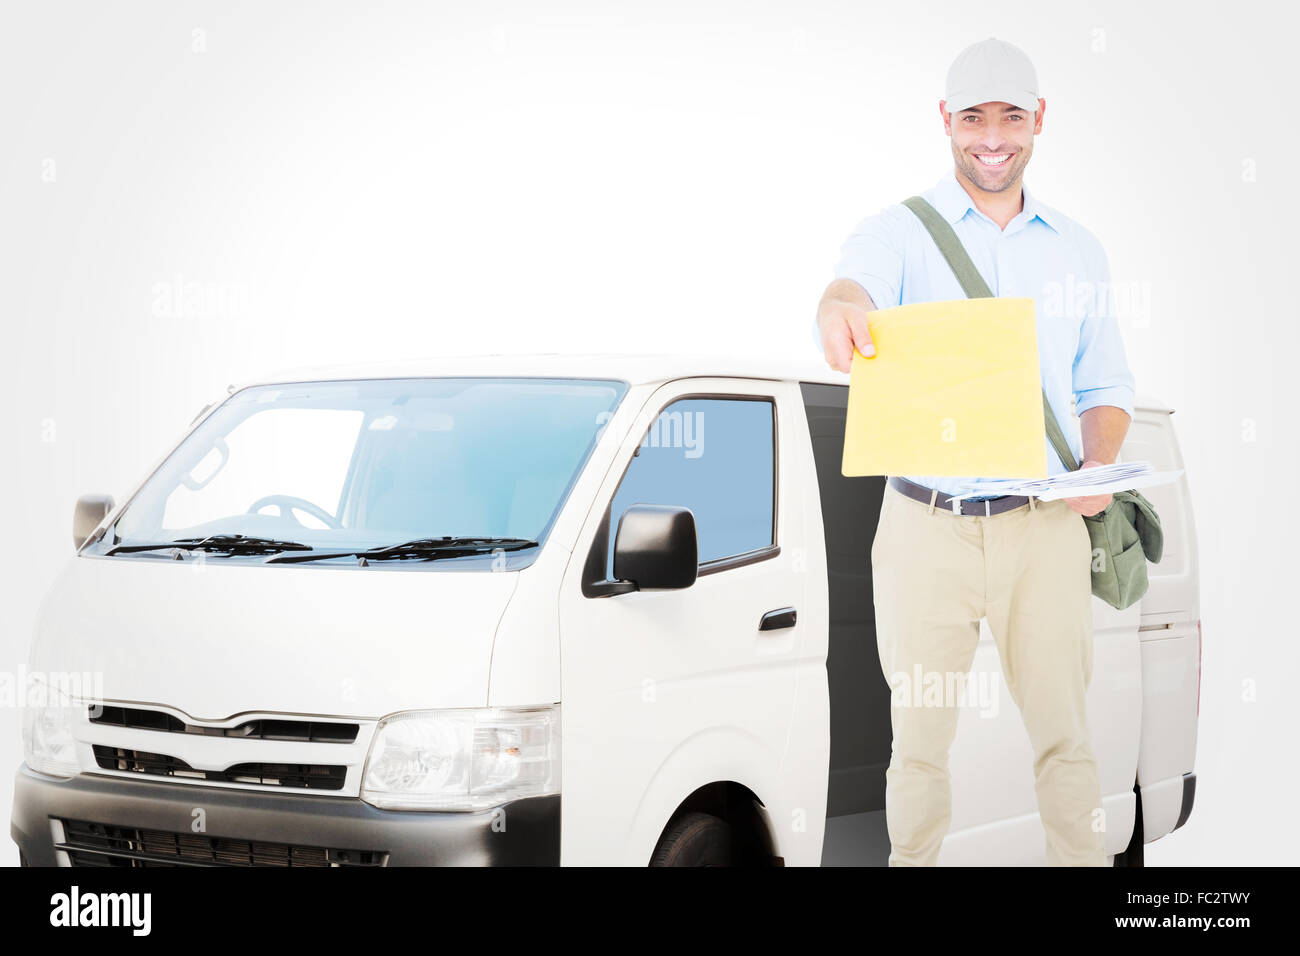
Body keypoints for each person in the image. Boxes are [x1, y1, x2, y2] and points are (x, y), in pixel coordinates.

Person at [814, 37, 1134, 866]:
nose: (992, 138)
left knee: (1067, 738)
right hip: (927, 526)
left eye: (1011, 117)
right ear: (944, 122)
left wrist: (1098, 464)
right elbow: (854, 285)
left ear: (1039, 122)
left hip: (1044, 525)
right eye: (973, 119)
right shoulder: (898, 233)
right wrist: (838, 308)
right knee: (916, 746)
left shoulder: (1079, 250)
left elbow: (1104, 388)